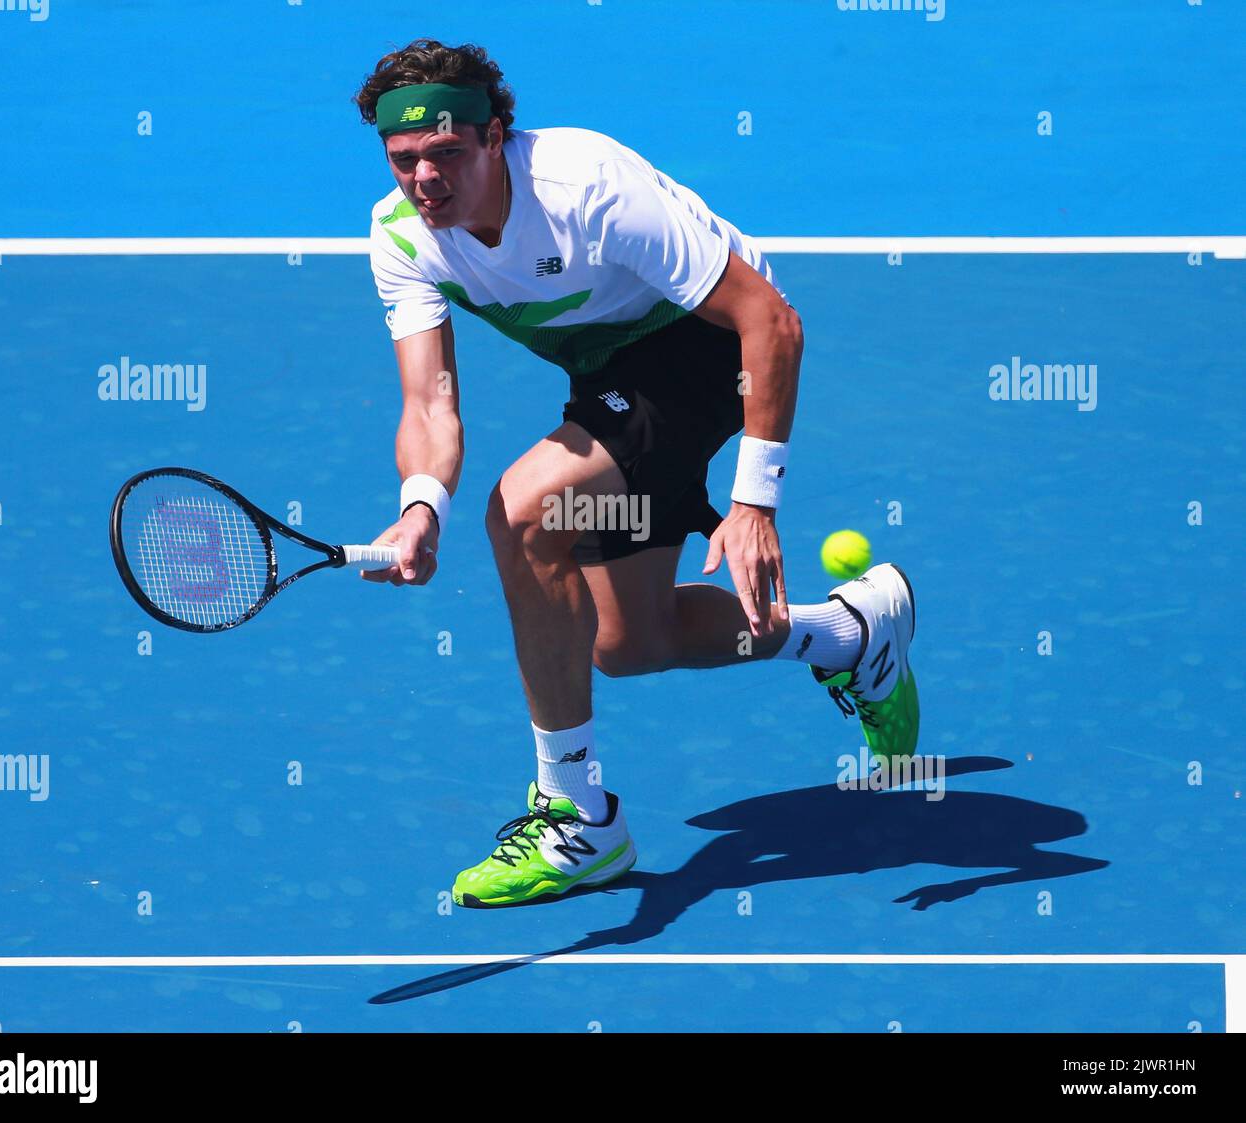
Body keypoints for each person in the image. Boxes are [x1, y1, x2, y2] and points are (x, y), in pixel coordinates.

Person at [355, 39, 919, 908]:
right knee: (628, 643)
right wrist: (421, 504)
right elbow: (430, 405)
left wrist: (754, 499)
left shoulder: (584, 187)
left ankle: (577, 817)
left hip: (708, 348)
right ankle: (852, 633)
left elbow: (772, 321)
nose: (425, 178)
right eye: (405, 160)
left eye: (447, 153)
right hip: (613, 374)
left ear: (496, 135)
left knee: (523, 514)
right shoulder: (402, 238)